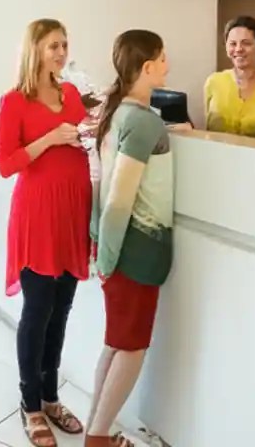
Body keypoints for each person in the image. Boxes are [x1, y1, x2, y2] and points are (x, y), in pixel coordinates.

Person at [0, 18, 92, 447]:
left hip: (72, 214)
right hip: (37, 217)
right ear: (34, 49)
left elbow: (84, 139)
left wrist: (89, 133)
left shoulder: (71, 94)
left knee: (62, 309)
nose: (61, 52)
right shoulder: (14, 101)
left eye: (65, 44)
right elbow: (6, 164)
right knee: (38, 310)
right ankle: (30, 403)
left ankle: (51, 397)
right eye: (53, 45)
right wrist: (51, 138)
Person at [86, 30, 176, 447]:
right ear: (147, 67)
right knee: (132, 347)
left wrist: (101, 250)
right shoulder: (142, 121)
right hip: (134, 252)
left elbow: (103, 189)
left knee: (116, 343)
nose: (168, 63)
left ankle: (96, 431)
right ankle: (98, 437)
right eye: (163, 57)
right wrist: (106, 259)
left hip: (120, 250)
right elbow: (119, 199)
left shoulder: (120, 112)